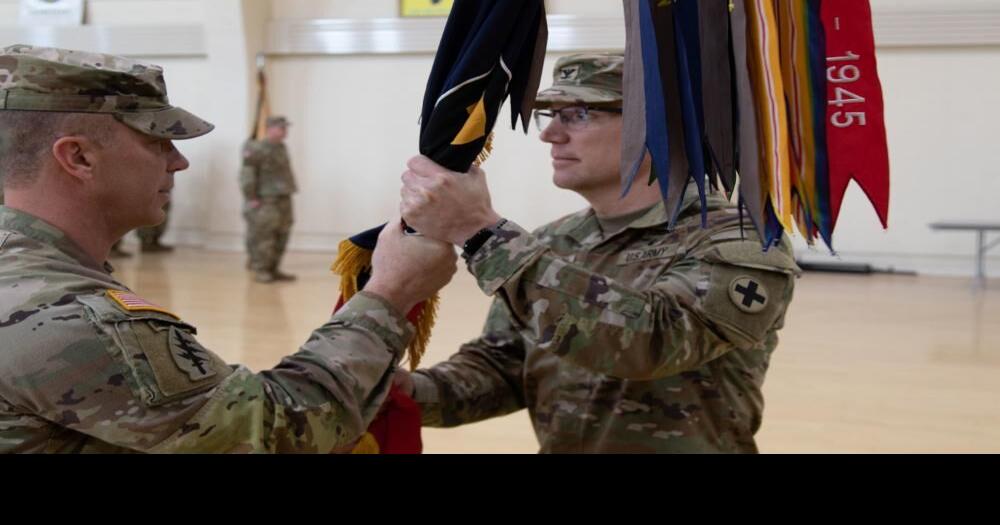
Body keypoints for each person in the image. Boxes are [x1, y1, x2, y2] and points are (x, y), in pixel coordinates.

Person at [0, 45, 457, 453]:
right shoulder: (66, 317)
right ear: (79, 157)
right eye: (157, 141)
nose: (179, 161)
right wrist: (392, 291)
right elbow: (279, 432)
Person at [396, 53, 800, 453]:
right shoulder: (552, 242)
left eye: (578, 114)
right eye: (550, 115)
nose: (550, 134)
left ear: (654, 125)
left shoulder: (740, 238)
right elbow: (504, 367)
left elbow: (654, 341)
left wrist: (480, 232)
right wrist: (410, 392)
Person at [240, 116, 297, 283]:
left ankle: (274, 268)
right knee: (264, 235)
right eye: (281, 128)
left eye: (285, 128)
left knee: (282, 234)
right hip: (266, 199)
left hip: (284, 196)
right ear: (269, 128)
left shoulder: (281, 147)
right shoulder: (256, 148)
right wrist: (251, 197)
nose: (285, 131)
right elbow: (247, 173)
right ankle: (261, 269)